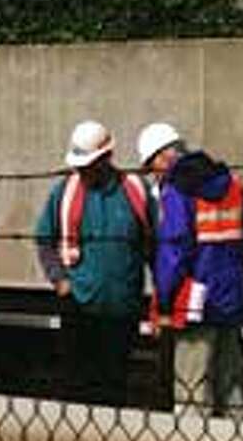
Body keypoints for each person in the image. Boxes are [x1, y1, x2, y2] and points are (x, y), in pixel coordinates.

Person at [137, 123, 243, 420]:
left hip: (195, 301)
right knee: (230, 383)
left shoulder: (178, 189)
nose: (152, 175)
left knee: (192, 386)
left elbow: (175, 250)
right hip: (232, 296)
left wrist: (165, 299)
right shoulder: (232, 182)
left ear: (164, 158)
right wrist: (227, 257)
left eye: (150, 166)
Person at [35, 120, 156, 407]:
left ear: (106, 159)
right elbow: (44, 239)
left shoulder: (135, 190)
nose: (83, 171)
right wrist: (60, 280)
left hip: (122, 310)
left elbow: (156, 245)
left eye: (88, 165)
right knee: (75, 386)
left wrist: (160, 297)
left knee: (114, 385)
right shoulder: (64, 192)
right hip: (78, 306)